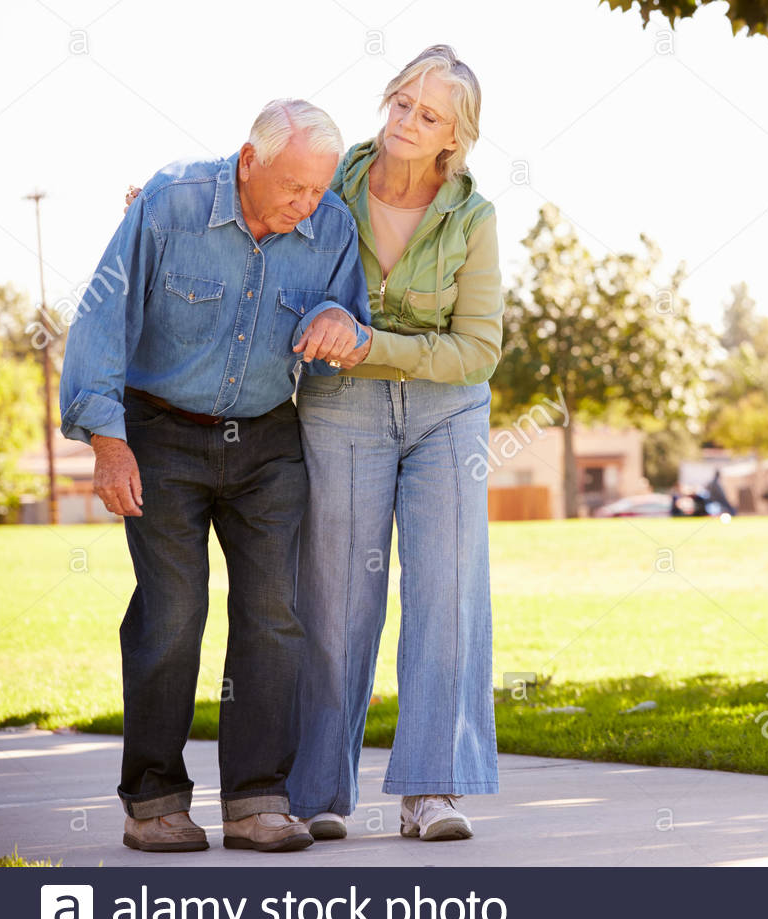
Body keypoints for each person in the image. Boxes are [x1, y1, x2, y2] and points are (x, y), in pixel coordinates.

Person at [62, 99, 371, 853]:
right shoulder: (169, 205)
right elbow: (101, 318)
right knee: (172, 614)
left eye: (319, 190)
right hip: (162, 430)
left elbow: (352, 317)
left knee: (274, 615)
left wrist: (340, 319)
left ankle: (258, 799)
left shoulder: (330, 226)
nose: (308, 205)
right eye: (295, 187)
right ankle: (154, 799)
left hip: (268, 438)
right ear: (248, 159)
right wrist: (108, 439)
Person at [284, 45, 503, 842]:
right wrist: (164, 205)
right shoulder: (331, 183)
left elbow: (477, 350)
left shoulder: (471, 218)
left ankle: (431, 791)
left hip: (447, 414)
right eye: (403, 102)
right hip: (341, 407)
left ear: (456, 136)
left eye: (430, 114)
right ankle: (315, 792)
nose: (408, 121)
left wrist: (369, 342)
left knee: (446, 592)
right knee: (337, 597)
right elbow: (256, 185)